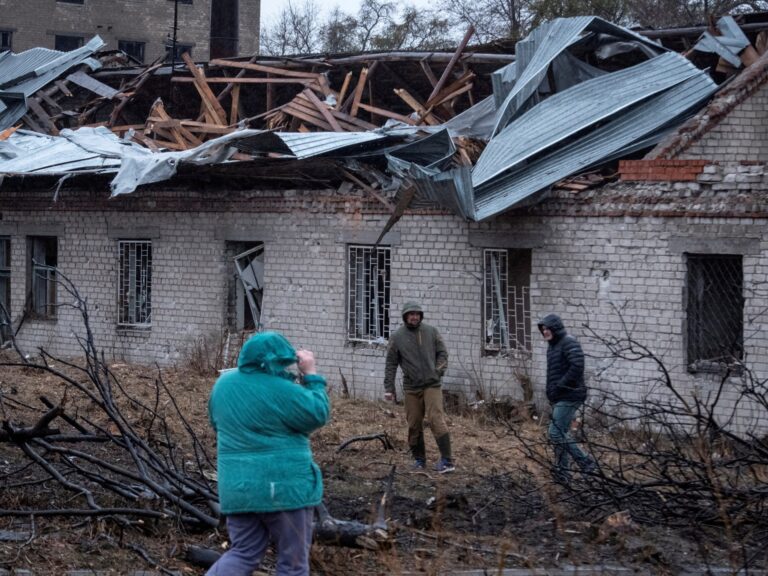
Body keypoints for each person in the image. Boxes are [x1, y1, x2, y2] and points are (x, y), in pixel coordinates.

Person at [207, 331, 330, 576]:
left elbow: (215, 422)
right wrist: (311, 375)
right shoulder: (283, 390)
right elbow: (318, 413)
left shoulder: (222, 385)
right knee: (292, 564)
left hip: (238, 489)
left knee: (243, 553)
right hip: (284, 490)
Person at [384, 302, 454, 473]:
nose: (414, 317)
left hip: (432, 384)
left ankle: (447, 461)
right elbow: (391, 364)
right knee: (414, 423)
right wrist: (389, 388)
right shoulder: (397, 337)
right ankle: (419, 460)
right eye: (411, 314)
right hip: (411, 388)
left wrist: (437, 371)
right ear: (405, 316)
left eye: (417, 314)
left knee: (436, 419)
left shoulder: (431, 331)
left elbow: (443, 354)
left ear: (420, 316)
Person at [537, 314, 595, 484]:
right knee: (561, 432)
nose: (545, 332)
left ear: (555, 327)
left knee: (555, 433)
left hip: (571, 394)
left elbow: (577, 366)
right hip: (561, 395)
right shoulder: (553, 346)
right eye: (543, 329)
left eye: (548, 328)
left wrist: (560, 386)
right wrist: (552, 392)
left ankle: (587, 463)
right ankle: (563, 472)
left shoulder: (568, 342)